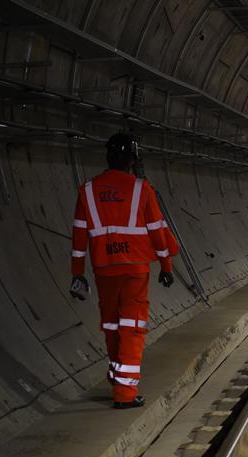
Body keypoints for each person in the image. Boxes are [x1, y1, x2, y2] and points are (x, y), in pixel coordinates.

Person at [69, 133, 176, 409]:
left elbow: (79, 235)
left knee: (112, 326)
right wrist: (166, 266)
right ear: (132, 159)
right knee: (132, 326)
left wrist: (77, 272)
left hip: (104, 269)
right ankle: (125, 394)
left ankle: (118, 377)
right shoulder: (142, 189)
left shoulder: (88, 190)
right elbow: (157, 233)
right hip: (134, 270)